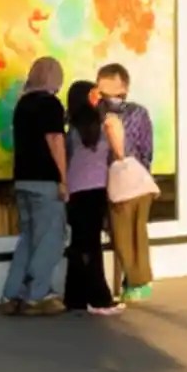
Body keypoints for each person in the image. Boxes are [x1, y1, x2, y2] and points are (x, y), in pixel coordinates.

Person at [0, 57, 69, 316]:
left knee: (28, 238)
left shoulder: (22, 104)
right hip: (45, 180)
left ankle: (11, 293)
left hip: (23, 179)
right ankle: (36, 295)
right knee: (50, 239)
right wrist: (63, 179)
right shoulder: (50, 104)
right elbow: (55, 141)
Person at [62, 80, 124, 315]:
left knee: (79, 244)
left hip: (75, 191)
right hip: (96, 188)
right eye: (95, 94)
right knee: (91, 245)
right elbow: (116, 153)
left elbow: (67, 158)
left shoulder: (72, 128)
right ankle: (100, 298)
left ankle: (74, 297)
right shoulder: (102, 123)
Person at [97, 63, 156, 303]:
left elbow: (145, 148)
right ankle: (134, 282)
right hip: (127, 179)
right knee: (130, 233)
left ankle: (135, 281)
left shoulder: (127, 113)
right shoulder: (100, 113)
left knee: (126, 233)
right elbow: (146, 149)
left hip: (126, 180)